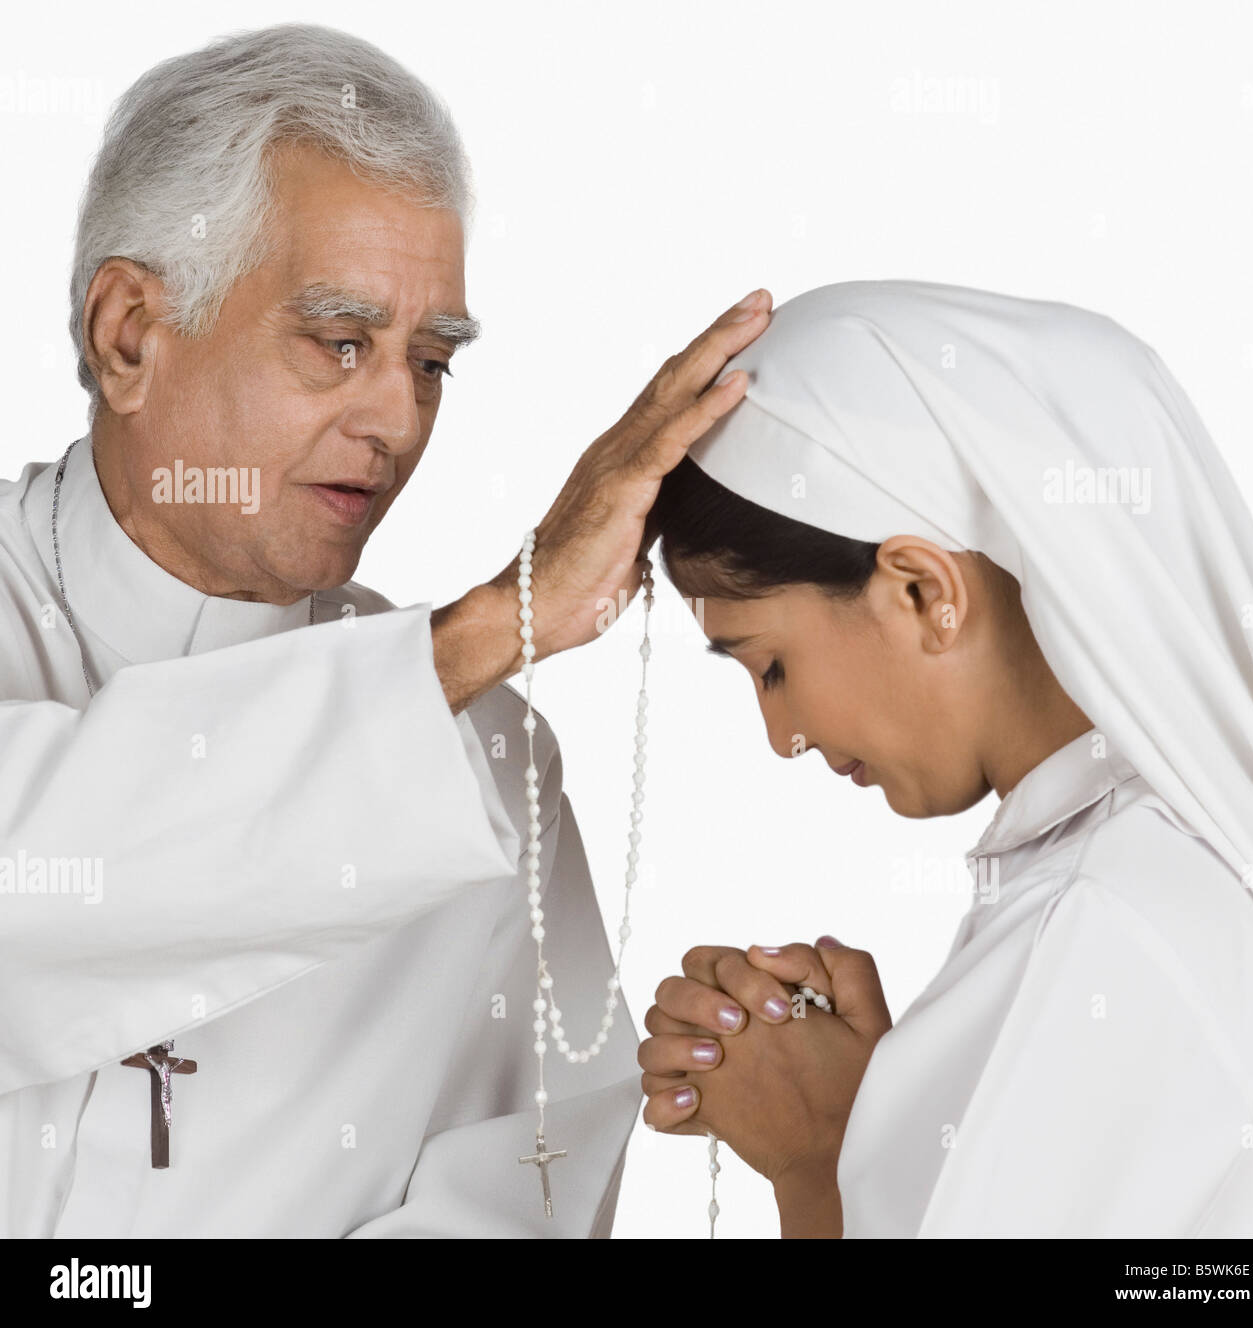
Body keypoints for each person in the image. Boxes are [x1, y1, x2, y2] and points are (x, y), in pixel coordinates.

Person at [0, 21, 773, 1237]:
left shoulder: (495, 766)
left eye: (429, 362)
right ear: (129, 334)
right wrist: (486, 631)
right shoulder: (458, 685)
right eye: (341, 343)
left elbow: (523, 1182)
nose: (396, 420)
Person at [638, 279, 1253, 1238]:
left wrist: (821, 1162)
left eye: (771, 665)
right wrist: (881, 1125)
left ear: (920, 591)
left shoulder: (1104, 917)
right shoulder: (1142, 876)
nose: (781, 737)